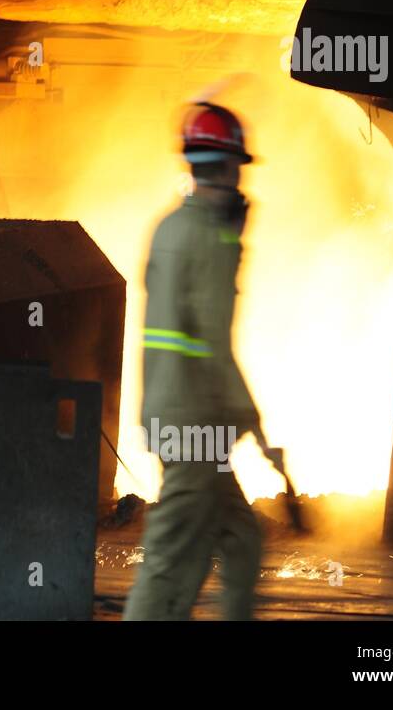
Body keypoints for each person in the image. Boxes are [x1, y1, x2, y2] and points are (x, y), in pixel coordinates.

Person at [123, 102, 277, 621]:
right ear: (229, 167)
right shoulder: (209, 238)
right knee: (170, 562)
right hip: (193, 426)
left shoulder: (171, 226)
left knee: (241, 539)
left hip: (178, 417)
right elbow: (212, 343)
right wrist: (255, 427)